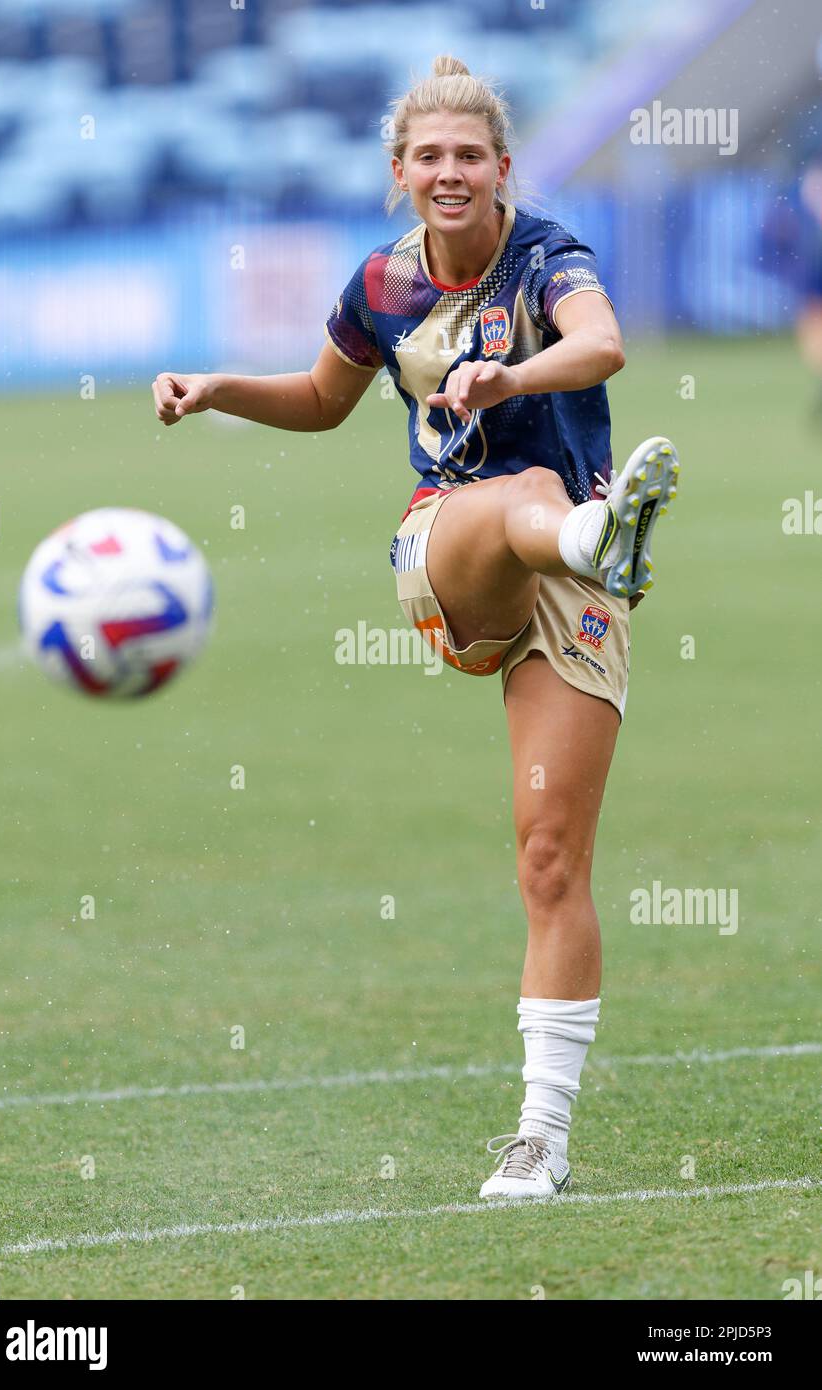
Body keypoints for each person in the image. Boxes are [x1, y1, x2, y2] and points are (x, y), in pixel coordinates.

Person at [151, 54, 680, 1201]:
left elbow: (601, 346)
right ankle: (594, 536)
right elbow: (319, 397)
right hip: (450, 554)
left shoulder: (546, 255)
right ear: (400, 172)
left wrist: (507, 379)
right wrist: (214, 387)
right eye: (427, 157)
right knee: (525, 501)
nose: (449, 173)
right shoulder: (379, 286)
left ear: (502, 167)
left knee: (549, 859)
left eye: (468, 157)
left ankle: (539, 1137)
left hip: (570, 588)